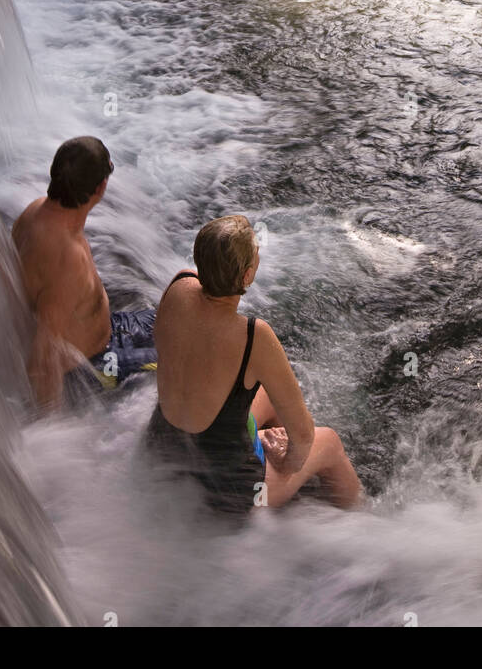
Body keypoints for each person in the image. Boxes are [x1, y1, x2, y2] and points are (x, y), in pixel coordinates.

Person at [145, 214, 362, 514]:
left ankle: (278, 478)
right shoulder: (252, 335)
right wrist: (286, 461)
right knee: (329, 444)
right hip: (225, 492)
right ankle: (363, 523)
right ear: (247, 276)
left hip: (162, 452)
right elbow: (304, 436)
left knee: (270, 399)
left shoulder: (179, 285)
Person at [12, 136, 157, 411]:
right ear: (101, 187)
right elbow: (45, 353)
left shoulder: (35, 210)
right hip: (91, 368)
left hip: (111, 332)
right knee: (188, 352)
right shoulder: (68, 259)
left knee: (175, 322)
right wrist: (50, 428)